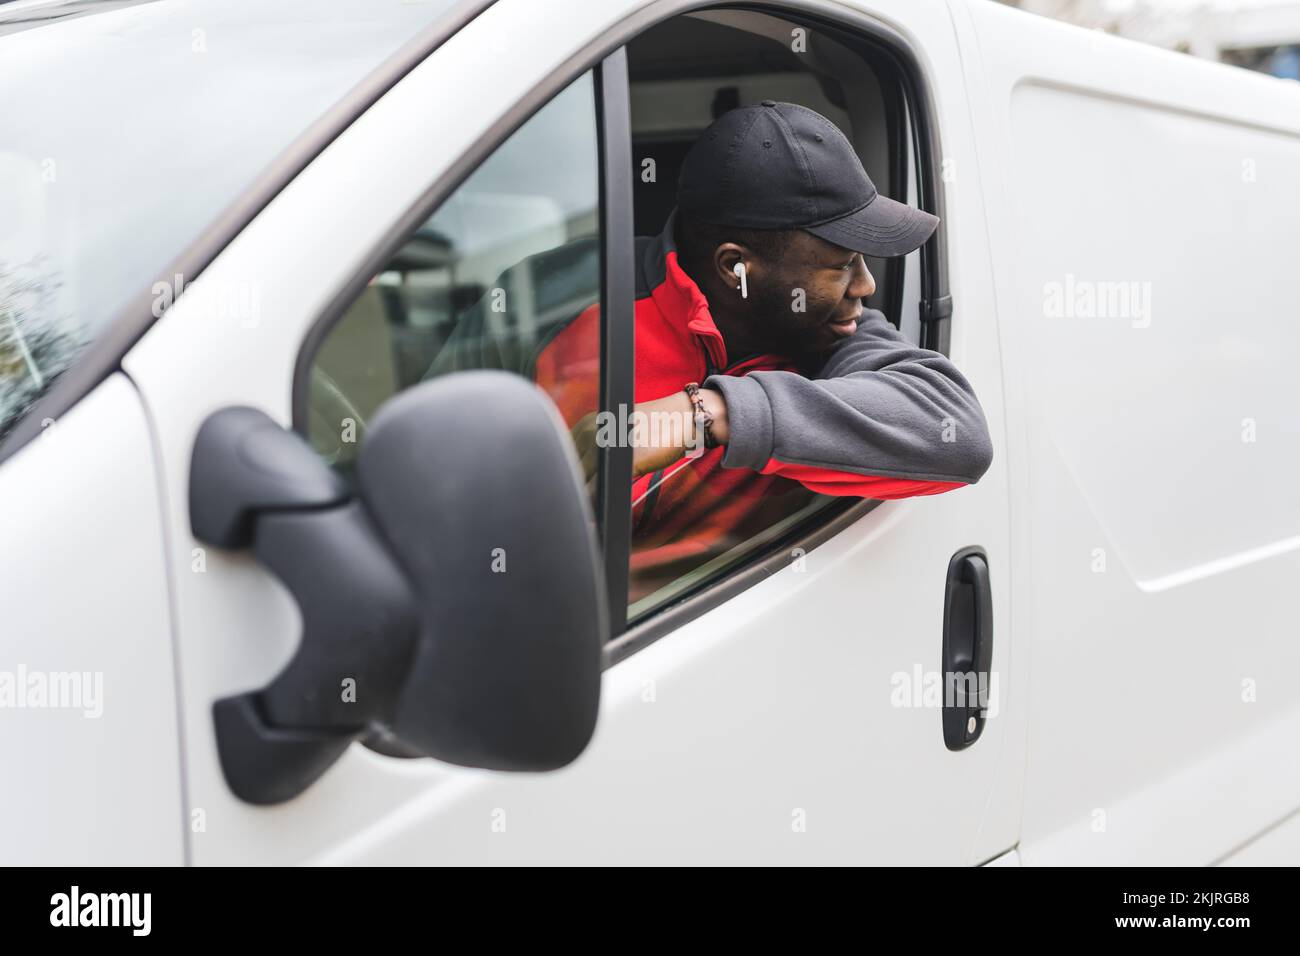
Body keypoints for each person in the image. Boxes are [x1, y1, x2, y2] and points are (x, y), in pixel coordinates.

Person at [439, 101, 994, 602]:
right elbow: (435, 473)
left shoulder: (831, 337)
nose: (866, 287)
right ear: (738, 269)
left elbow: (959, 436)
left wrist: (704, 413)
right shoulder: (551, 304)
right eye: (841, 265)